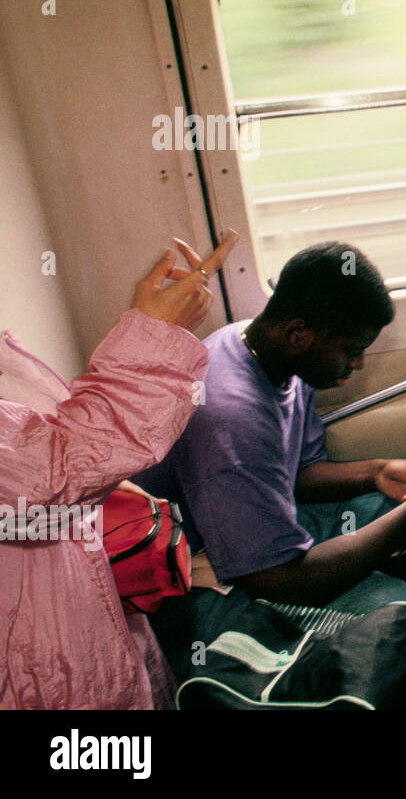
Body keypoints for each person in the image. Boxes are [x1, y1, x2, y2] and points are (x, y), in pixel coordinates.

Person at [137, 241, 406, 683]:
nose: (359, 363)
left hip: (256, 524)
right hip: (206, 569)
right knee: (392, 603)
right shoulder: (231, 417)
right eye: (353, 348)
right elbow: (279, 579)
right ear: (299, 334)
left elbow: (295, 474)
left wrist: (377, 471)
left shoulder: (272, 353)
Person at [1, 231, 237, 709]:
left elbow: (34, 470)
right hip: (39, 662)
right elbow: (51, 478)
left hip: (71, 610)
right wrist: (156, 334)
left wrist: (105, 488)